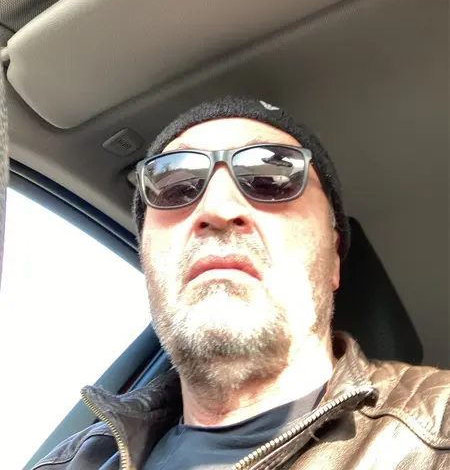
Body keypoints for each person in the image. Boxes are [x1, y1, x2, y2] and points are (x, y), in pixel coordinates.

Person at [33, 96, 449, 470]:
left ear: (333, 255)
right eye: (174, 183)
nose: (216, 208)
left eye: (271, 173)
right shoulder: (75, 460)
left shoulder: (438, 427)